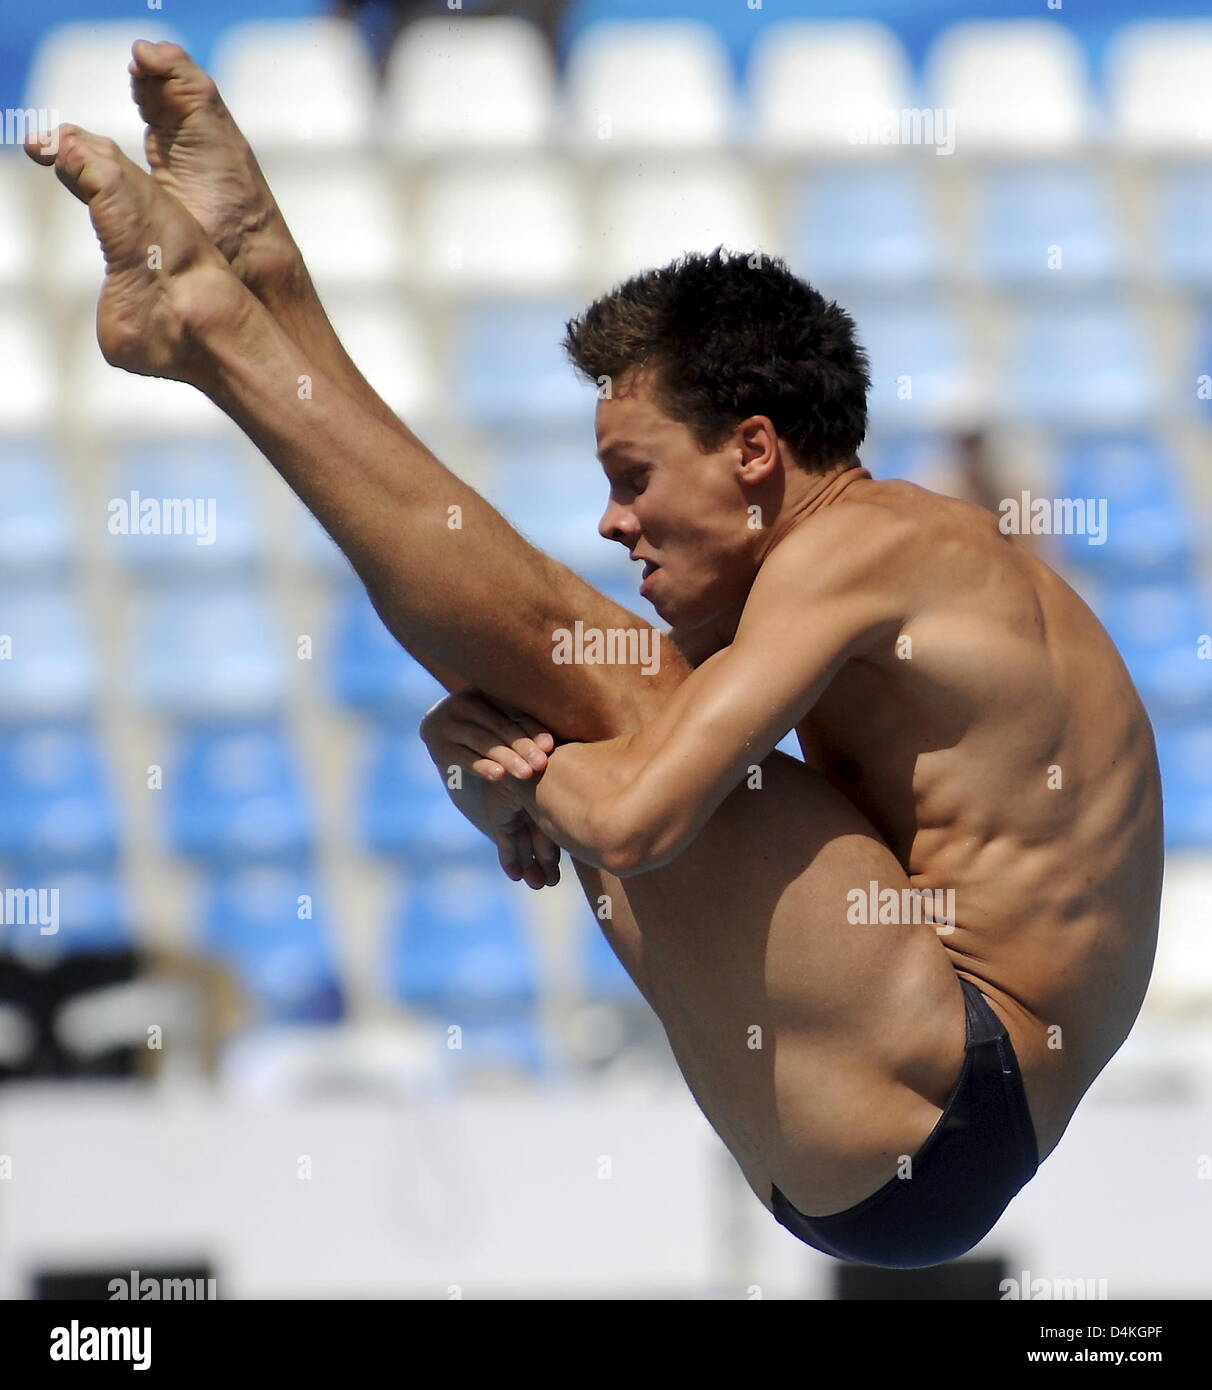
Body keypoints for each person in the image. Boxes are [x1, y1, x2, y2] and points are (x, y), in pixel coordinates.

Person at [24, 39, 1163, 1268]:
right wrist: (528, 772)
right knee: (587, 665)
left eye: (635, 478)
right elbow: (590, 755)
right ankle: (261, 285)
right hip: (915, 1108)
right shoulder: (851, 566)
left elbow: (627, 819)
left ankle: (225, 331)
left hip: (945, 1090)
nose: (615, 519)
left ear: (756, 453)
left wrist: (529, 777)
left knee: (589, 661)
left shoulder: (866, 547)